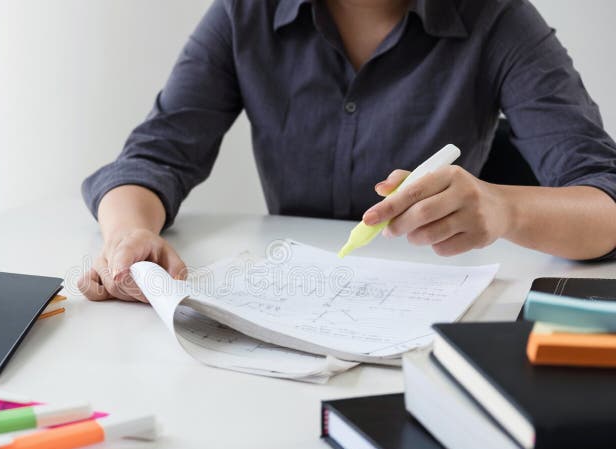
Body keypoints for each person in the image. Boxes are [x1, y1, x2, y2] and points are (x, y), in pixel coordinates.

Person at [79, 0, 616, 302]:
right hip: (288, 314)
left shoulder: (497, 18)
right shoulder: (246, 13)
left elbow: (604, 195)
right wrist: (129, 236)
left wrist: (503, 208)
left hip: (429, 321)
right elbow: (154, 157)